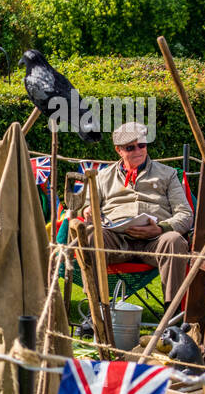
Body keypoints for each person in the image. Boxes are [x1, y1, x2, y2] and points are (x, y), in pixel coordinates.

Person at [79, 121, 194, 311]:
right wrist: (88, 211)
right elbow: (86, 206)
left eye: (142, 145)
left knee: (174, 240)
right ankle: (96, 309)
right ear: (119, 150)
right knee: (90, 236)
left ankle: (172, 315)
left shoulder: (168, 174)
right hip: (116, 239)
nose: (138, 151)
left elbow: (185, 213)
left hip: (155, 240)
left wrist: (161, 228)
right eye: (130, 148)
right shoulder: (102, 177)